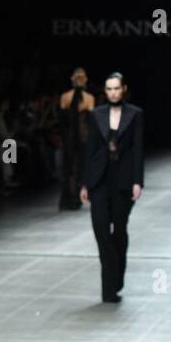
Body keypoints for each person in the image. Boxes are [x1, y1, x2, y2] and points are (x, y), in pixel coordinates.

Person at [80, 72, 144, 303]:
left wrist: (138, 181)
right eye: (109, 89)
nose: (113, 93)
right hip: (99, 180)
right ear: (105, 91)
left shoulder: (135, 114)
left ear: (123, 89)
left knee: (119, 231)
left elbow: (137, 149)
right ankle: (109, 283)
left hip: (123, 181)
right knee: (100, 230)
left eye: (116, 88)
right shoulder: (96, 114)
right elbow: (90, 149)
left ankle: (114, 283)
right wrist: (85, 183)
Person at [58, 66, 94, 210]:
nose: (80, 80)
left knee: (76, 167)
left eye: (81, 77)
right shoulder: (68, 97)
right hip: (73, 137)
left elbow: (89, 122)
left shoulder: (86, 98)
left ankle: (75, 197)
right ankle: (73, 197)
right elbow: (63, 122)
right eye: (78, 77)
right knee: (73, 167)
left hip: (78, 137)